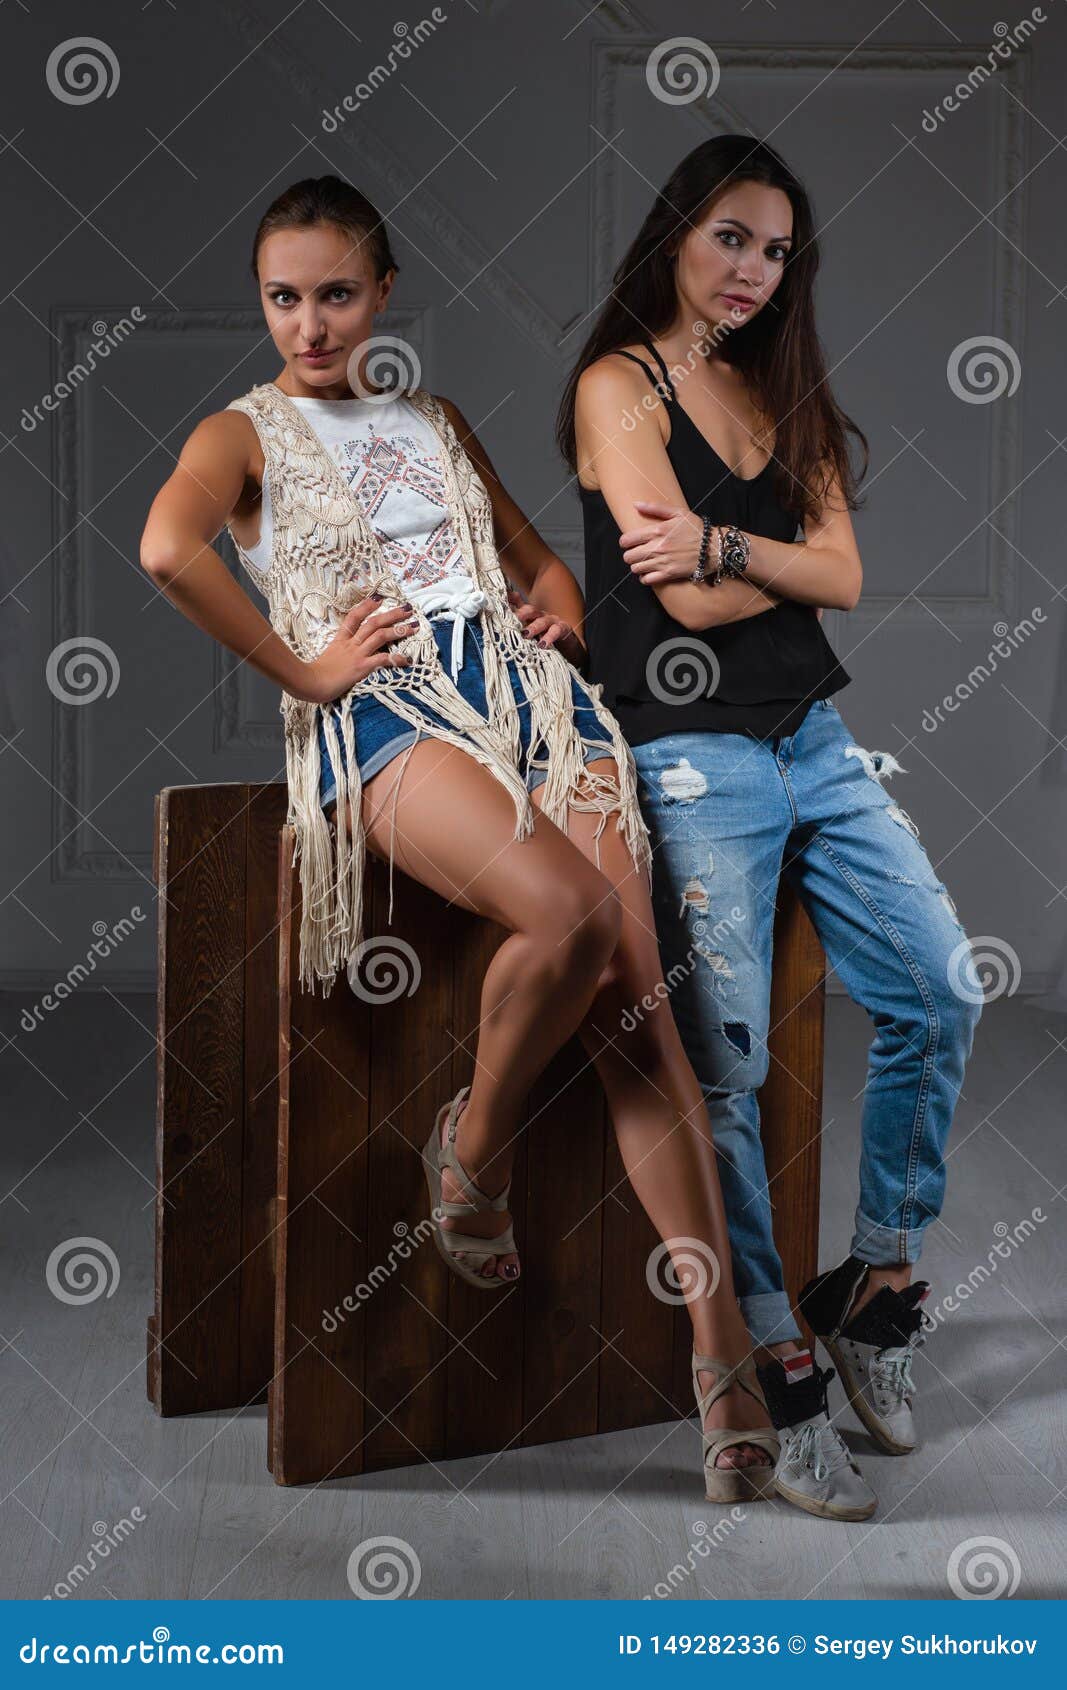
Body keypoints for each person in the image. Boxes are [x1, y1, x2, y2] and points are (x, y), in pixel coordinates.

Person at [139, 173, 788, 1503]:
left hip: (535, 708)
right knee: (572, 918)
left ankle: (720, 1356)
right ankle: (473, 1152)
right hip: (388, 717)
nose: (309, 324)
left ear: (381, 292)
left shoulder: (434, 422)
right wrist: (303, 667)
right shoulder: (244, 433)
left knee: (642, 1011)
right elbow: (166, 547)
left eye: (334, 293)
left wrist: (557, 620)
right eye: (283, 296)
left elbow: (540, 570)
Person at [561, 134, 982, 1521]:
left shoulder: (780, 384)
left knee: (936, 985)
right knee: (724, 1063)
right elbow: (671, 611)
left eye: (778, 249)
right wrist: (767, 570)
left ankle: (874, 1281)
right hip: (691, 755)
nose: (753, 269)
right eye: (732, 236)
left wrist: (730, 549)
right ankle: (773, 1350)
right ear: (679, 231)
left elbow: (843, 577)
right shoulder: (617, 386)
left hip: (813, 740)